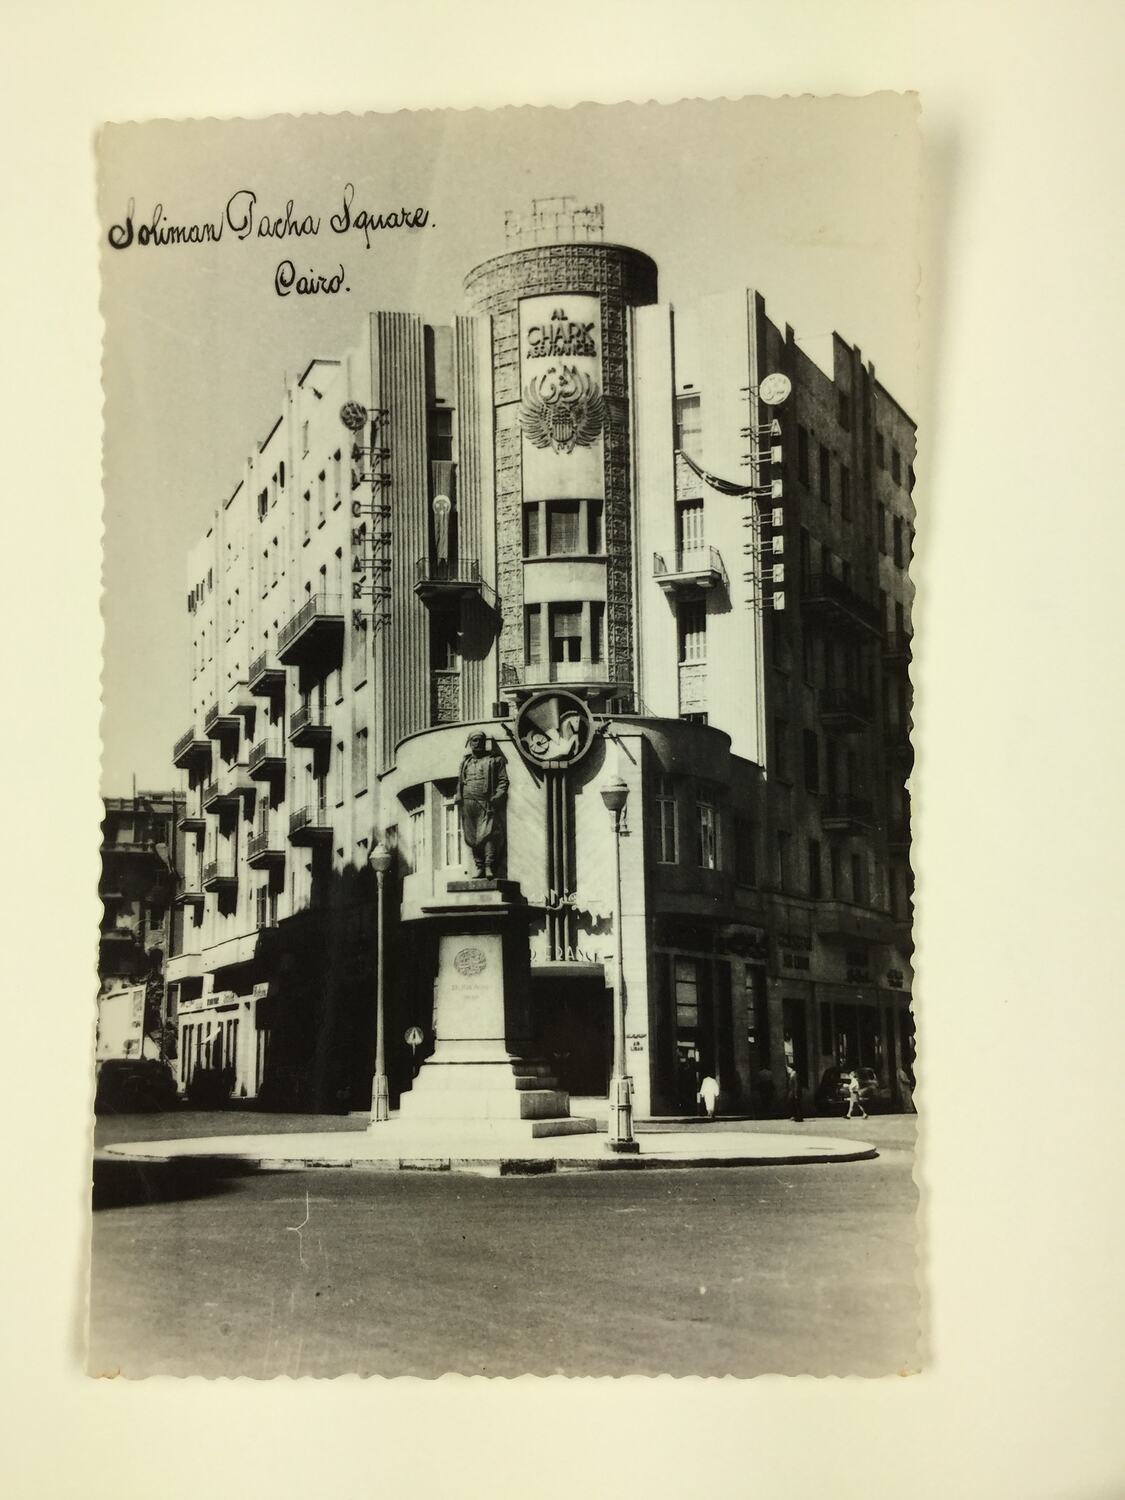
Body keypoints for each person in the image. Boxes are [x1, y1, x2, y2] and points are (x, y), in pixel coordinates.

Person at [455, 732, 509, 878]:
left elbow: (503, 781)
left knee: (487, 834)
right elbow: (460, 782)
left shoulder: (495, 760)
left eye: (480, 740)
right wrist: (458, 796)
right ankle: (479, 866)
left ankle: (489, 866)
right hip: (468, 802)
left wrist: (498, 796)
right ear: (469, 742)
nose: (477, 743)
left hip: (486, 802)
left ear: (485, 742)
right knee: (472, 836)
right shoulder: (465, 762)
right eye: (474, 740)